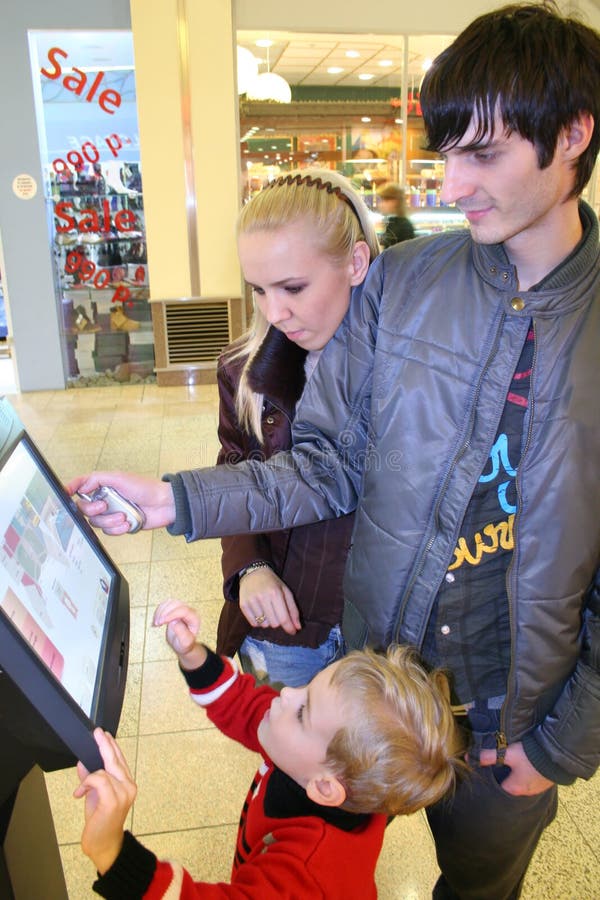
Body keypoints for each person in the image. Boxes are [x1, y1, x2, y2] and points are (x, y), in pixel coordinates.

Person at [69, 4, 600, 897]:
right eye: (446, 153)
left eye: (485, 154)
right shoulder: (403, 282)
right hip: (372, 692)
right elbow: (324, 464)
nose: (455, 182)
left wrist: (558, 748)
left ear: (575, 134)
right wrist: (176, 502)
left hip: (516, 720)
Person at [74, 599, 466, 899]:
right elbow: (244, 706)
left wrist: (113, 852)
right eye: (308, 688)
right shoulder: (320, 763)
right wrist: (192, 655)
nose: (287, 694)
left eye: (303, 711)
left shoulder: (309, 874)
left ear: (325, 787)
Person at [215, 168, 379, 688]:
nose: (275, 312)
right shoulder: (244, 372)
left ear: (356, 262)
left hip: (386, 639)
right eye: (259, 290)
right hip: (284, 633)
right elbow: (233, 475)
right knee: (287, 768)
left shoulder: (418, 370)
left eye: (293, 287)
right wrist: (247, 569)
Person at [377, 183, 415, 248]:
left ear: (395, 202)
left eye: (386, 200)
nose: (381, 204)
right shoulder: (392, 221)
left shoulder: (404, 226)